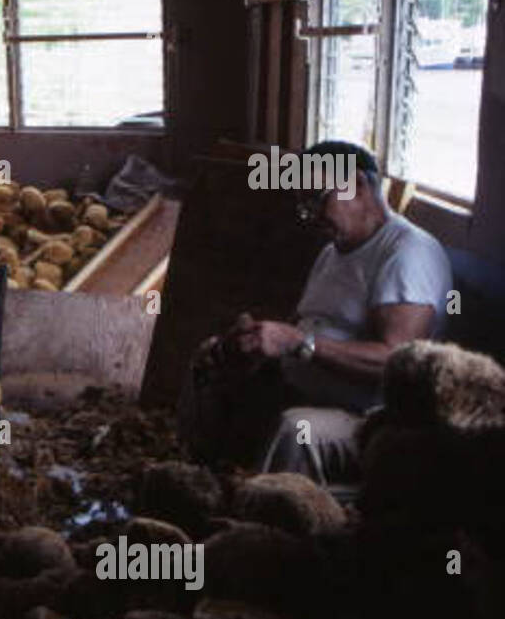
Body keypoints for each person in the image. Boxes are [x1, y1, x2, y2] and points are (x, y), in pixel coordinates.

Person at [179, 141, 453, 493]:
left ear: (355, 184)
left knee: (297, 430)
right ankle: (198, 490)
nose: (311, 216)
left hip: (372, 417)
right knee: (212, 360)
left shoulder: (406, 253)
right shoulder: (332, 252)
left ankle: (265, 529)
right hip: (309, 388)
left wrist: (300, 343)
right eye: (304, 204)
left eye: (317, 199)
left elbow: (399, 361)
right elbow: (305, 325)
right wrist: (257, 340)